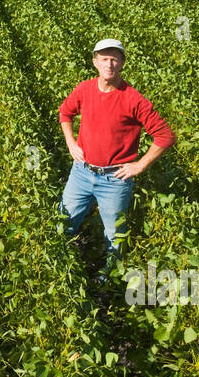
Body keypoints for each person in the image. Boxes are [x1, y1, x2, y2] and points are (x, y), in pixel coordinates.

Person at [58, 39, 175, 278]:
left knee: (115, 235)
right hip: (81, 171)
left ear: (122, 63)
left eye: (114, 59)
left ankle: (108, 280)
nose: (109, 64)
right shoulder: (84, 89)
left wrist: (140, 165)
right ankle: (60, 268)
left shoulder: (134, 99)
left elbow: (165, 136)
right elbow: (65, 112)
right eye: (104, 58)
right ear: (95, 62)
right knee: (63, 222)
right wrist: (71, 143)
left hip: (115, 179)